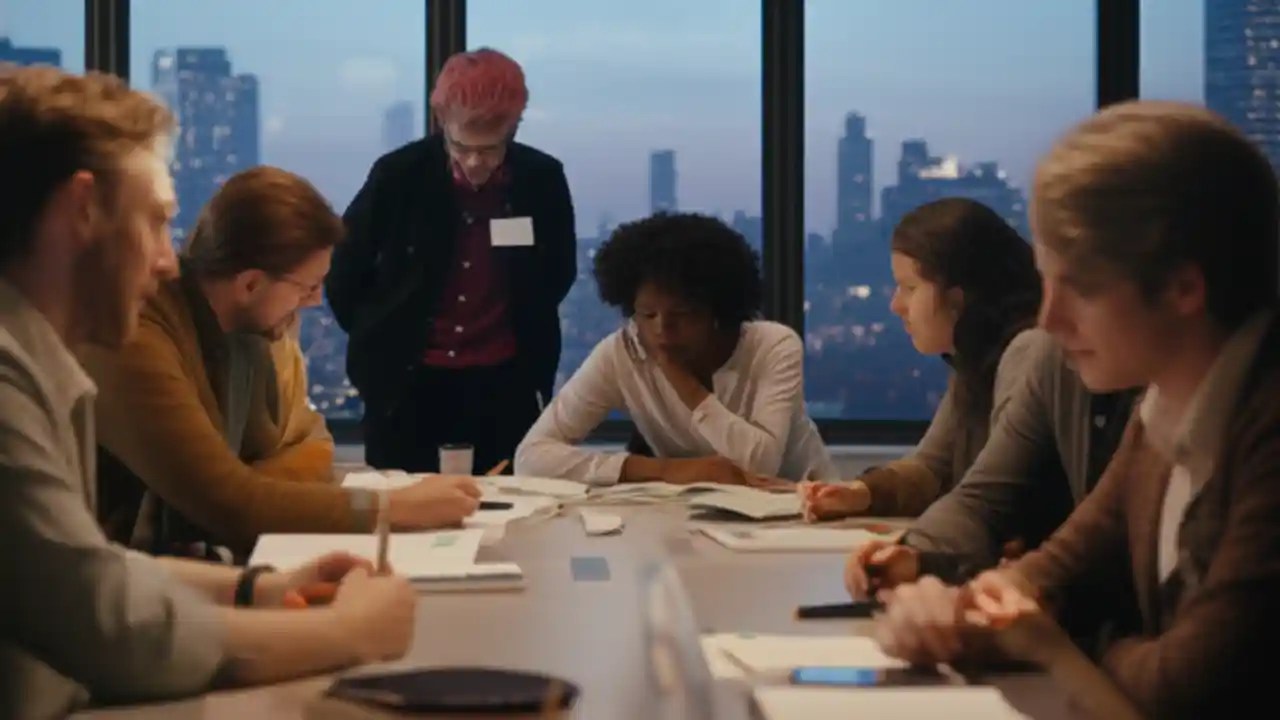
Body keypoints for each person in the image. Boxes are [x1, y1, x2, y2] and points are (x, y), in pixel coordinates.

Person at [0, 65, 416, 719]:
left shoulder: (39, 367)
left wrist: (256, 589)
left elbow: (93, 568)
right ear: (83, 209)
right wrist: (350, 632)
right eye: (156, 220)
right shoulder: (9, 385)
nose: (168, 260)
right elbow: (113, 627)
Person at [873, 101, 1280, 719]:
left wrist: (1051, 639)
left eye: (1080, 287)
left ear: (1184, 288)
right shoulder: (1166, 408)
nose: (1049, 319)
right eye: (1047, 282)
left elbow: (1192, 690)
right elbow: (1055, 572)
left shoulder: (1264, 427)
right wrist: (960, 614)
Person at [81, 167, 480, 562]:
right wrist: (395, 508)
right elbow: (229, 504)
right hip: (120, 574)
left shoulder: (250, 334)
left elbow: (309, 445)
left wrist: (253, 490)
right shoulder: (135, 335)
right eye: (307, 287)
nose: (315, 301)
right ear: (250, 284)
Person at [327, 48, 576, 474]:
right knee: (405, 500)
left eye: (491, 149)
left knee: (509, 498)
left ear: (514, 127)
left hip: (503, 383)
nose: (475, 162)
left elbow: (557, 273)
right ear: (442, 122)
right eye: (462, 146)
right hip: (409, 383)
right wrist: (381, 330)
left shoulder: (541, 179)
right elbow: (344, 269)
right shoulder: (399, 175)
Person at [515, 212, 837, 485]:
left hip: (804, 507)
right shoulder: (621, 353)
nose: (661, 329)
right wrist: (665, 470)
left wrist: (680, 379)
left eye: (681, 314)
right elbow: (531, 456)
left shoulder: (772, 345)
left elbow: (758, 464)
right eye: (647, 315)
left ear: (716, 312)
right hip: (701, 516)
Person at [798, 198, 1042, 520]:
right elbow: (931, 468)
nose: (896, 305)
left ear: (957, 298)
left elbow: (994, 498)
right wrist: (862, 493)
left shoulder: (1027, 354)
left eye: (909, 288)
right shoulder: (973, 363)